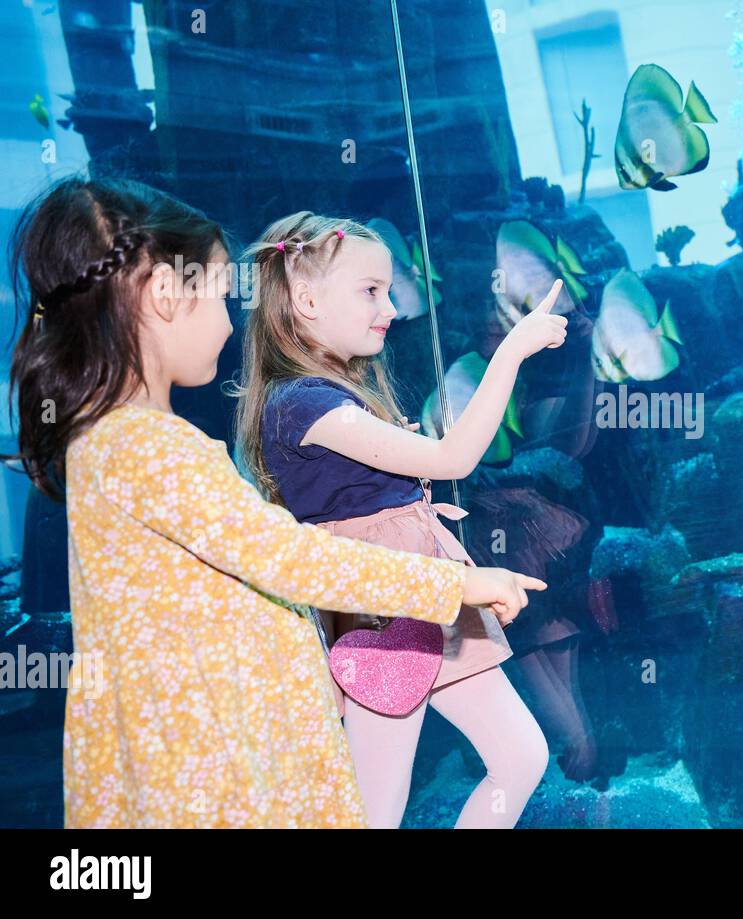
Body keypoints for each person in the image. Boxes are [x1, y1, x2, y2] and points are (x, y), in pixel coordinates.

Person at [6, 176, 544, 827]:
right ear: (163, 295)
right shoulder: (146, 446)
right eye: (217, 293)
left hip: (228, 757)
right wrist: (456, 583)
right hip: (216, 776)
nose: (233, 320)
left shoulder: (124, 444)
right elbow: (291, 555)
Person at [235, 212, 567, 828]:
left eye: (389, 288)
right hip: (378, 613)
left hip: (425, 599)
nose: (390, 305)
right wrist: (512, 350)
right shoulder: (302, 403)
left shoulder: (334, 395)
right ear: (305, 299)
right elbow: (453, 458)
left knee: (521, 755)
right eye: (370, 290)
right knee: (375, 812)